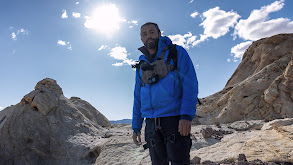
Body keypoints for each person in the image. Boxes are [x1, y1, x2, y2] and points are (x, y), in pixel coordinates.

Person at [132, 22, 198, 165]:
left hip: (174, 121)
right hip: (150, 125)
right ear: (141, 39)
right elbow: (137, 96)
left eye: (151, 32)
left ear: (159, 34)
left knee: (179, 162)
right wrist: (136, 126)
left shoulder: (176, 52)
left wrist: (186, 116)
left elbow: (190, 84)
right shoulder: (141, 65)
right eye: (144, 34)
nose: (148, 36)